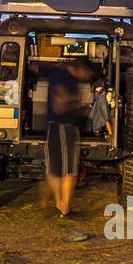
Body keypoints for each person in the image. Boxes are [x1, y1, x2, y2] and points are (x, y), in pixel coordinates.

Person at [44, 59, 99, 217]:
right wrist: (80, 101)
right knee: (69, 170)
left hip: (54, 125)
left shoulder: (59, 75)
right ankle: (64, 206)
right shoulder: (64, 77)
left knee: (54, 168)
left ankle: (59, 203)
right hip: (64, 126)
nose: (86, 77)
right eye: (87, 74)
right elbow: (60, 103)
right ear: (81, 69)